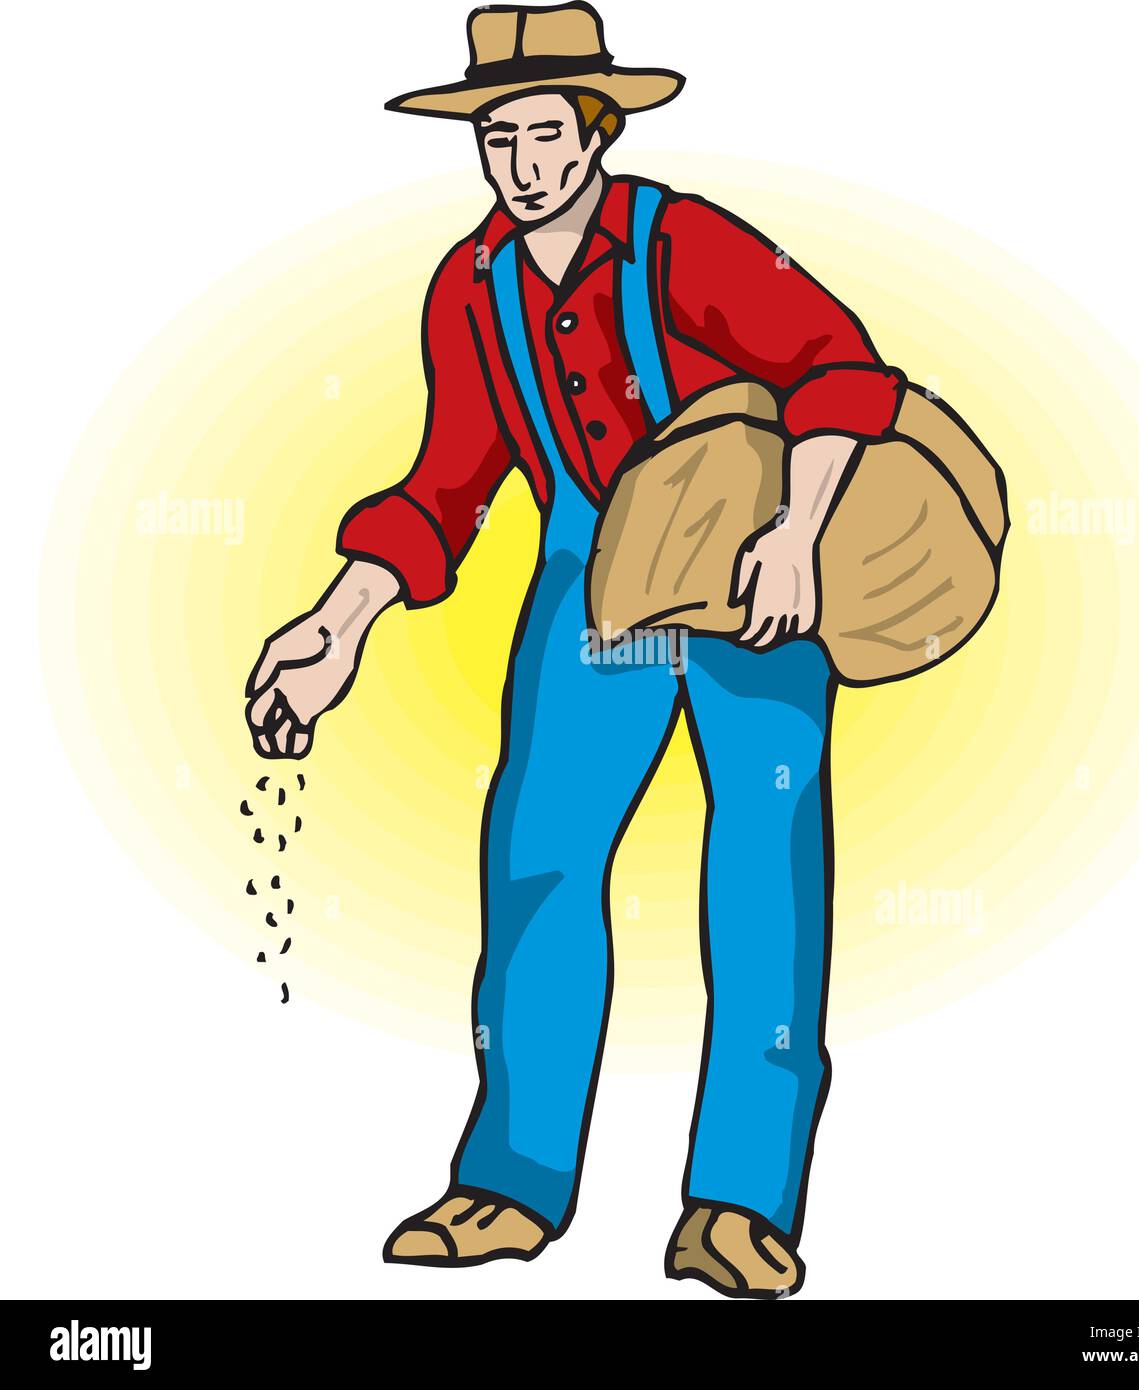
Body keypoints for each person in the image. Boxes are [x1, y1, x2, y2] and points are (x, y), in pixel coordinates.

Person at [245, 2, 905, 1299]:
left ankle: (739, 1205)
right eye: (500, 135)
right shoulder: (471, 285)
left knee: (763, 862)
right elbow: (445, 487)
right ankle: (512, 1178)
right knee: (540, 854)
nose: (523, 160)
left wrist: (796, 532)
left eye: (546, 131)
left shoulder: (684, 241)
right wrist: (337, 624)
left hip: (745, 551)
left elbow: (837, 367)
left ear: (595, 129)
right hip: (587, 561)